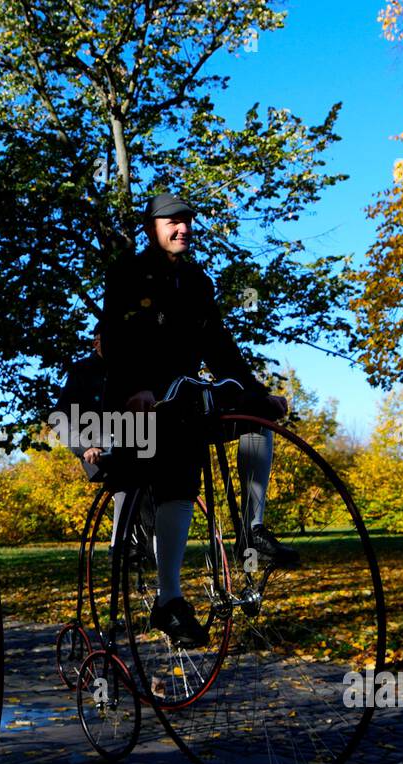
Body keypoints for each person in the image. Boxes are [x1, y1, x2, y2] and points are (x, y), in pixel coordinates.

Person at [100, 192, 298, 648]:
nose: (183, 228)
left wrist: (255, 393)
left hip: (184, 399)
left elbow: (219, 344)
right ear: (151, 228)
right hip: (136, 406)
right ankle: (169, 599)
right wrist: (136, 386)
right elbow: (115, 337)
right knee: (178, 477)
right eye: (172, 222)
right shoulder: (127, 273)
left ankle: (252, 530)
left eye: (187, 221)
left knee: (253, 423)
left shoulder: (197, 281)